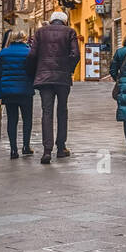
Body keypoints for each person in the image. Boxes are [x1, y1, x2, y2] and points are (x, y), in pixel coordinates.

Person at [25, 11, 80, 164]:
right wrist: (69, 69)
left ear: (51, 20)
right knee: (62, 111)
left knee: (46, 112)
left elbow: (31, 55)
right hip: (62, 79)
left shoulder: (40, 32)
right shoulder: (70, 32)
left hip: (44, 78)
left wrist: (34, 72)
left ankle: (47, 150)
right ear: (65, 21)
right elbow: (75, 54)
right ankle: (61, 148)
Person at [0, 29, 35, 159]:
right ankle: (26, 146)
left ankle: (13, 150)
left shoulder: (3, 53)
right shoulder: (29, 52)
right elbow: (33, 71)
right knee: (27, 119)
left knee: (12, 119)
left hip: (8, 92)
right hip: (25, 90)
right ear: (24, 38)